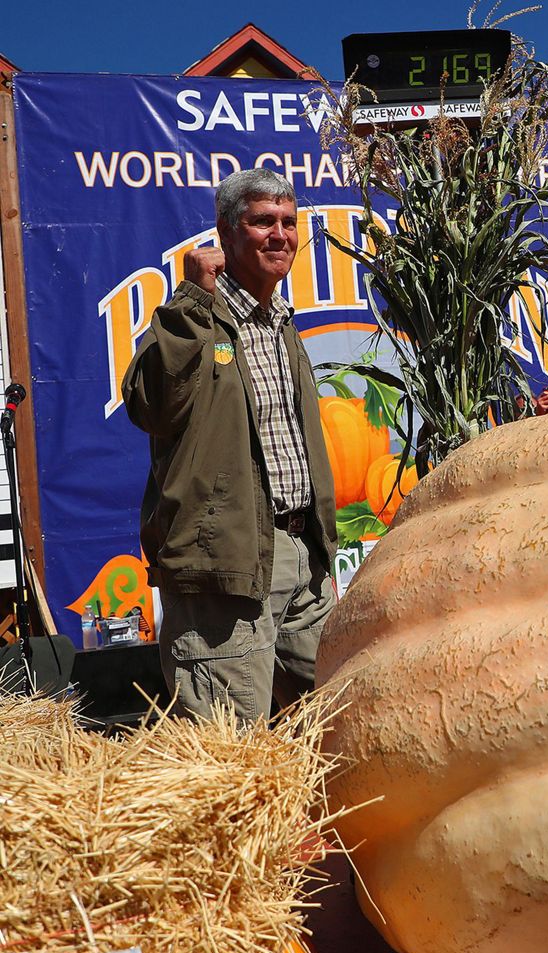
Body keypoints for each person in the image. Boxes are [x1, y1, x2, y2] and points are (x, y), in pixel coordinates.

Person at [123, 168, 337, 724]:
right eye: (262, 221)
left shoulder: (280, 324)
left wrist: (318, 547)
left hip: (300, 558)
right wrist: (192, 297)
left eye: (289, 223)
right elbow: (150, 403)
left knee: (341, 725)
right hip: (226, 563)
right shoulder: (199, 316)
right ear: (226, 231)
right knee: (233, 743)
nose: (280, 235)